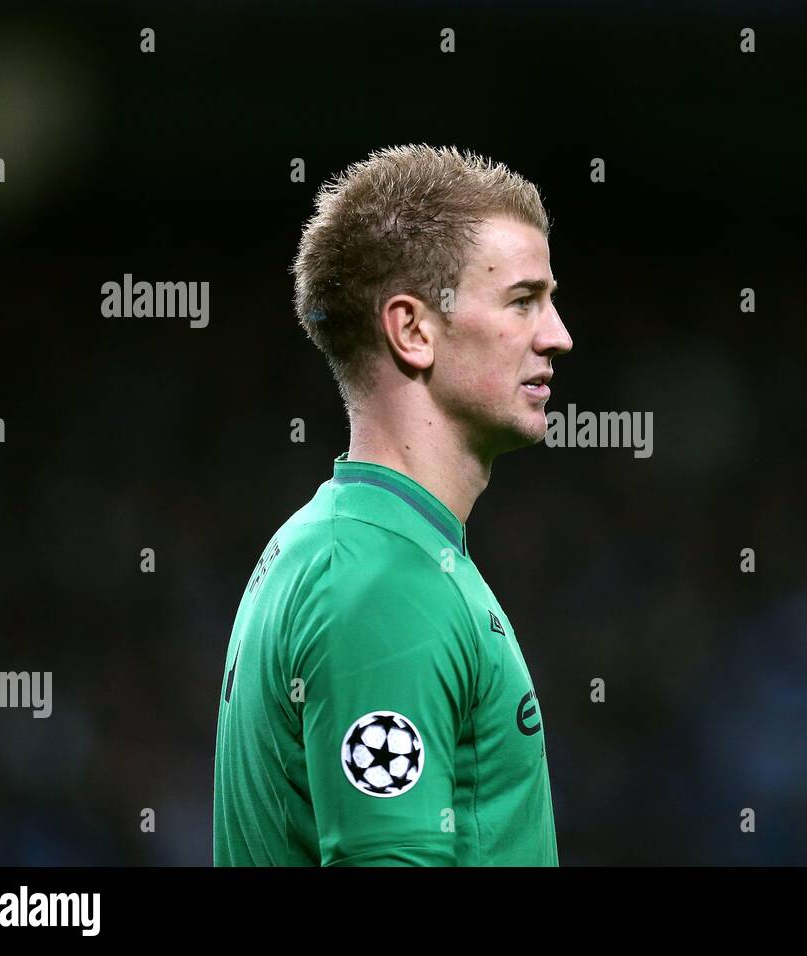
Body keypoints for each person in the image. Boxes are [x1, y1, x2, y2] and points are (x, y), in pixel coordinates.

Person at [213, 144, 572, 866]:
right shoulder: (383, 585)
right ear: (413, 330)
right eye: (523, 300)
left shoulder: (334, 544)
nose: (558, 335)